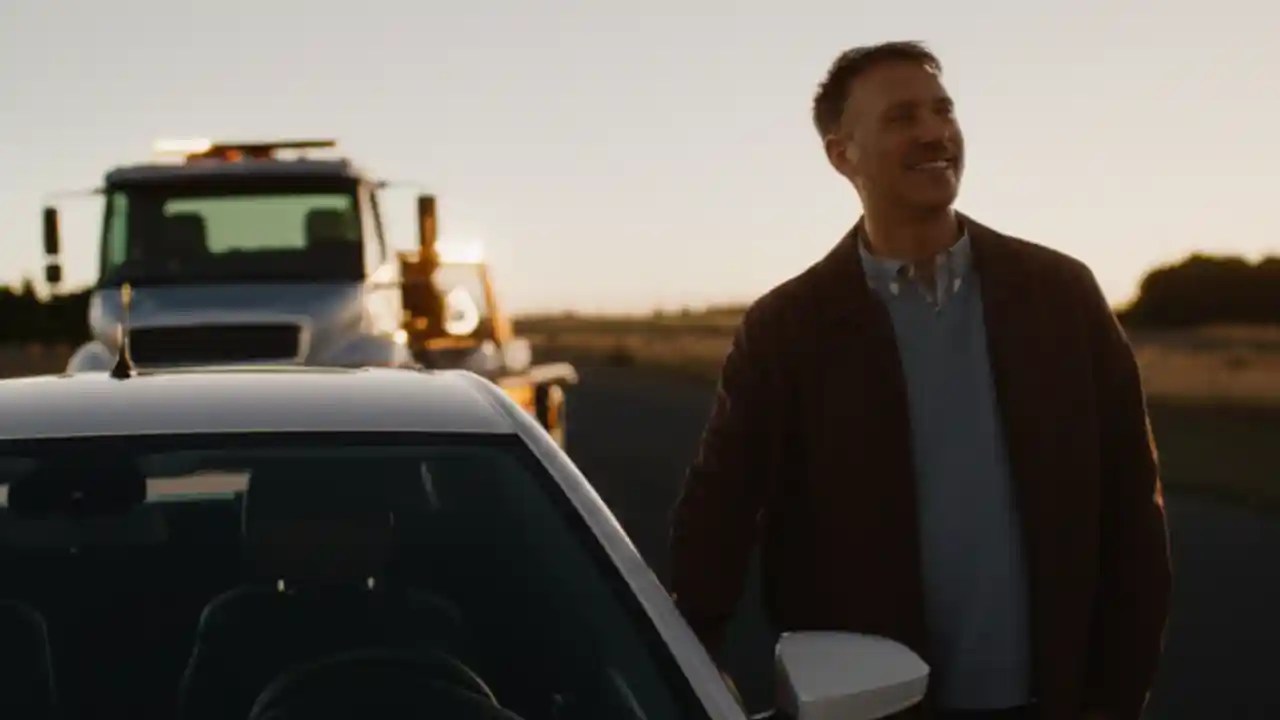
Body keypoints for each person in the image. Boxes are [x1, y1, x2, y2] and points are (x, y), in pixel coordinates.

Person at [668, 41, 1172, 720]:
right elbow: (720, 511)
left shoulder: (1062, 296)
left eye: (943, 110)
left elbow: (1134, 509)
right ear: (842, 154)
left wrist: (1118, 696)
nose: (935, 132)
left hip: (1057, 701)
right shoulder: (787, 328)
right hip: (868, 707)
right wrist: (691, 669)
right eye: (903, 117)